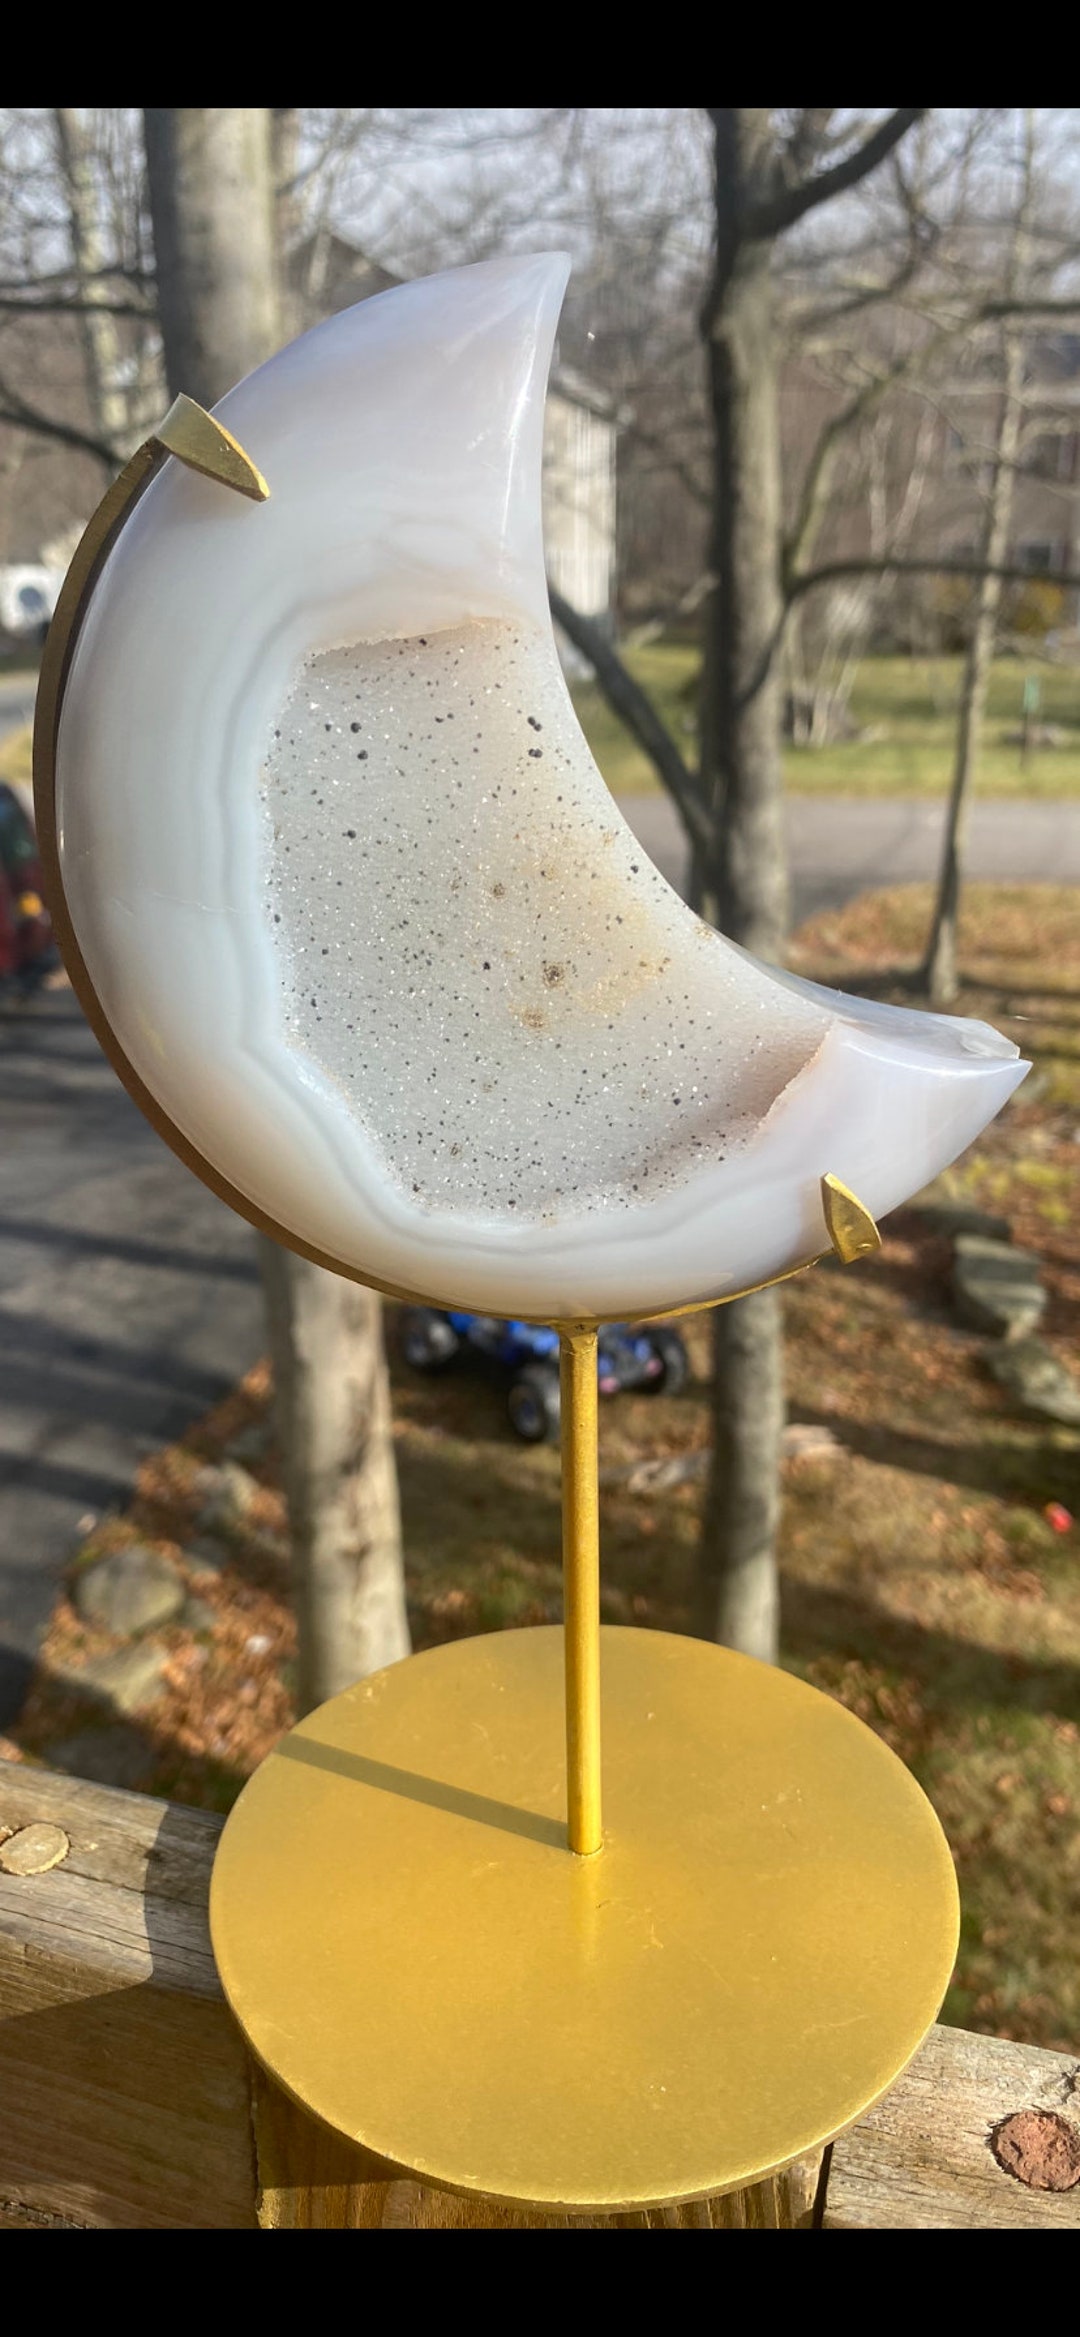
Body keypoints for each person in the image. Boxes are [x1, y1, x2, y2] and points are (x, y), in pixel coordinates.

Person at [0, 781, 60, 1002]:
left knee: (28, 914)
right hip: (18, 871)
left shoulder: (5, 794)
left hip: (21, 871)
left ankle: (23, 965)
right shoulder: (6, 796)